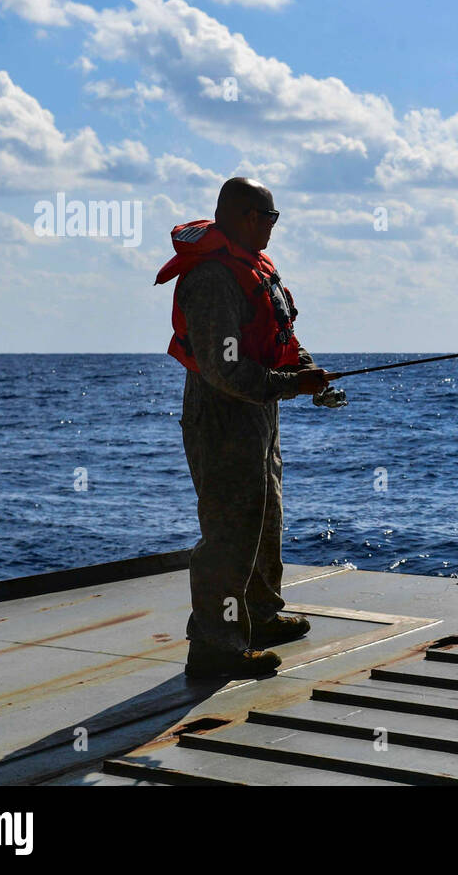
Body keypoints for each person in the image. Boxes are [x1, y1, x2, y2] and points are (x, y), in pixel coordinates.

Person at [155, 177, 331, 678]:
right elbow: (223, 368)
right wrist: (290, 384)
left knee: (263, 515)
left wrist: (304, 373)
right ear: (248, 216)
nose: (274, 228)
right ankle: (215, 644)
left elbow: (279, 338)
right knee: (230, 529)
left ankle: (257, 615)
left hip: (258, 410)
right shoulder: (213, 279)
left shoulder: (253, 269)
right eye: (271, 218)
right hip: (223, 415)